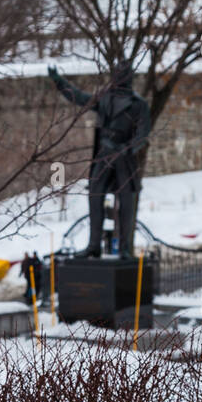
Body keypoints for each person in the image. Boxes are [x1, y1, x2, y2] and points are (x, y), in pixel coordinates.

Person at [49, 61, 151, 258]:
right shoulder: (104, 98)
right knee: (95, 196)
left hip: (123, 156)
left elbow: (142, 135)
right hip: (104, 154)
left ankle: (124, 249)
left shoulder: (139, 105)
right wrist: (59, 81)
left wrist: (127, 149)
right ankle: (93, 245)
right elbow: (79, 97)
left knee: (126, 202)